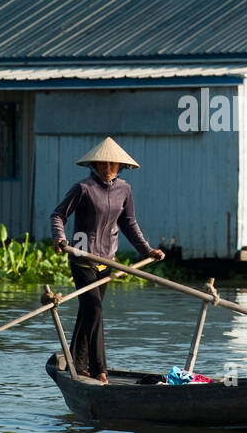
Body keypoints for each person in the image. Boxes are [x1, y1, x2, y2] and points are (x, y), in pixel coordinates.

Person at [50, 137, 164, 384]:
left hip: (108, 261)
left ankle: (77, 364)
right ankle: (99, 367)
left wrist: (147, 250)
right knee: (95, 310)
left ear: (120, 166)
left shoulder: (125, 189)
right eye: (102, 164)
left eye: (112, 164)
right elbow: (58, 215)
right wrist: (59, 238)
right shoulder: (83, 188)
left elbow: (129, 223)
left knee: (88, 312)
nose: (107, 168)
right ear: (95, 165)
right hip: (82, 257)